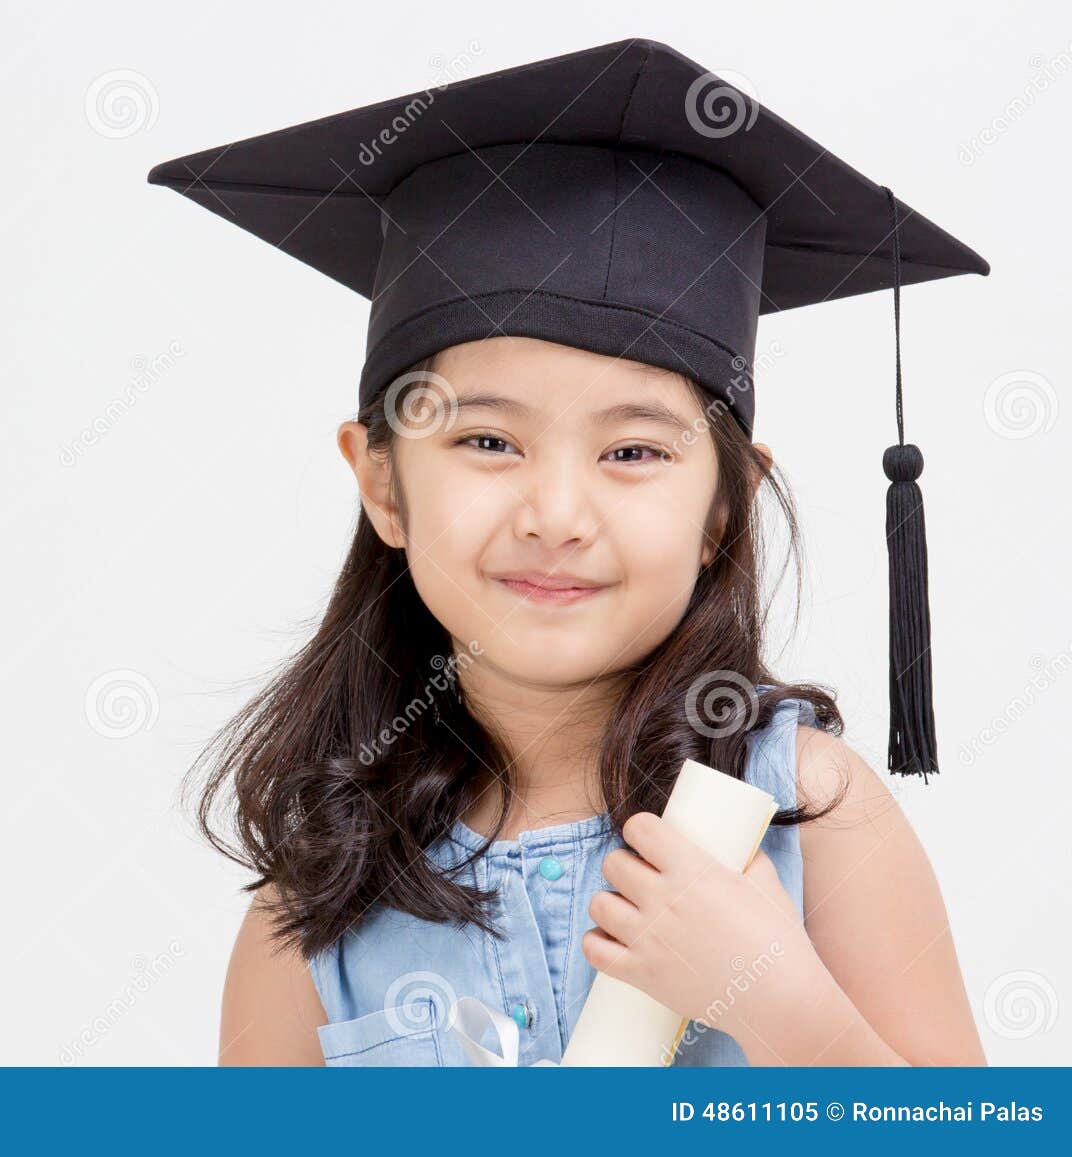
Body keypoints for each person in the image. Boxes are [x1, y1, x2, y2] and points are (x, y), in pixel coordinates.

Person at [151, 39, 989, 1065]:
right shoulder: (323, 892)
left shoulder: (806, 809)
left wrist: (775, 999)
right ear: (381, 482)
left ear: (722, 503)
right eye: (487, 441)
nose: (555, 513)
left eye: (631, 449)